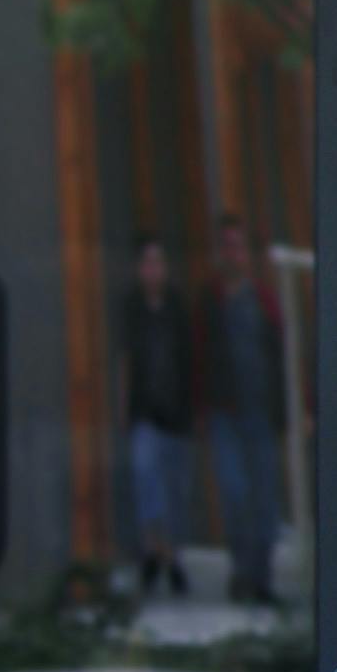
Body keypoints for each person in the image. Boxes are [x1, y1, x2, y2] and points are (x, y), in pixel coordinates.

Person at [201, 209, 288, 610]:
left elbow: (282, 355)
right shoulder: (211, 301)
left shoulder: (265, 302)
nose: (232, 255)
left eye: (238, 248)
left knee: (264, 497)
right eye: (227, 248)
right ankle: (242, 571)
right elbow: (198, 355)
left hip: (261, 413)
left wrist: (293, 408)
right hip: (226, 413)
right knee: (235, 494)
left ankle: (262, 577)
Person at [120, 231, 197, 599]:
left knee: (176, 491)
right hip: (145, 414)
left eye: (159, 263)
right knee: (147, 482)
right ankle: (154, 552)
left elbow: (191, 362)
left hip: (178, 415)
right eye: (147, 263)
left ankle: (173, 558)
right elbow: (124, 362)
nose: (153, 270)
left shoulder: (178, 310)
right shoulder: (131, 311)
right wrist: (124, 411)